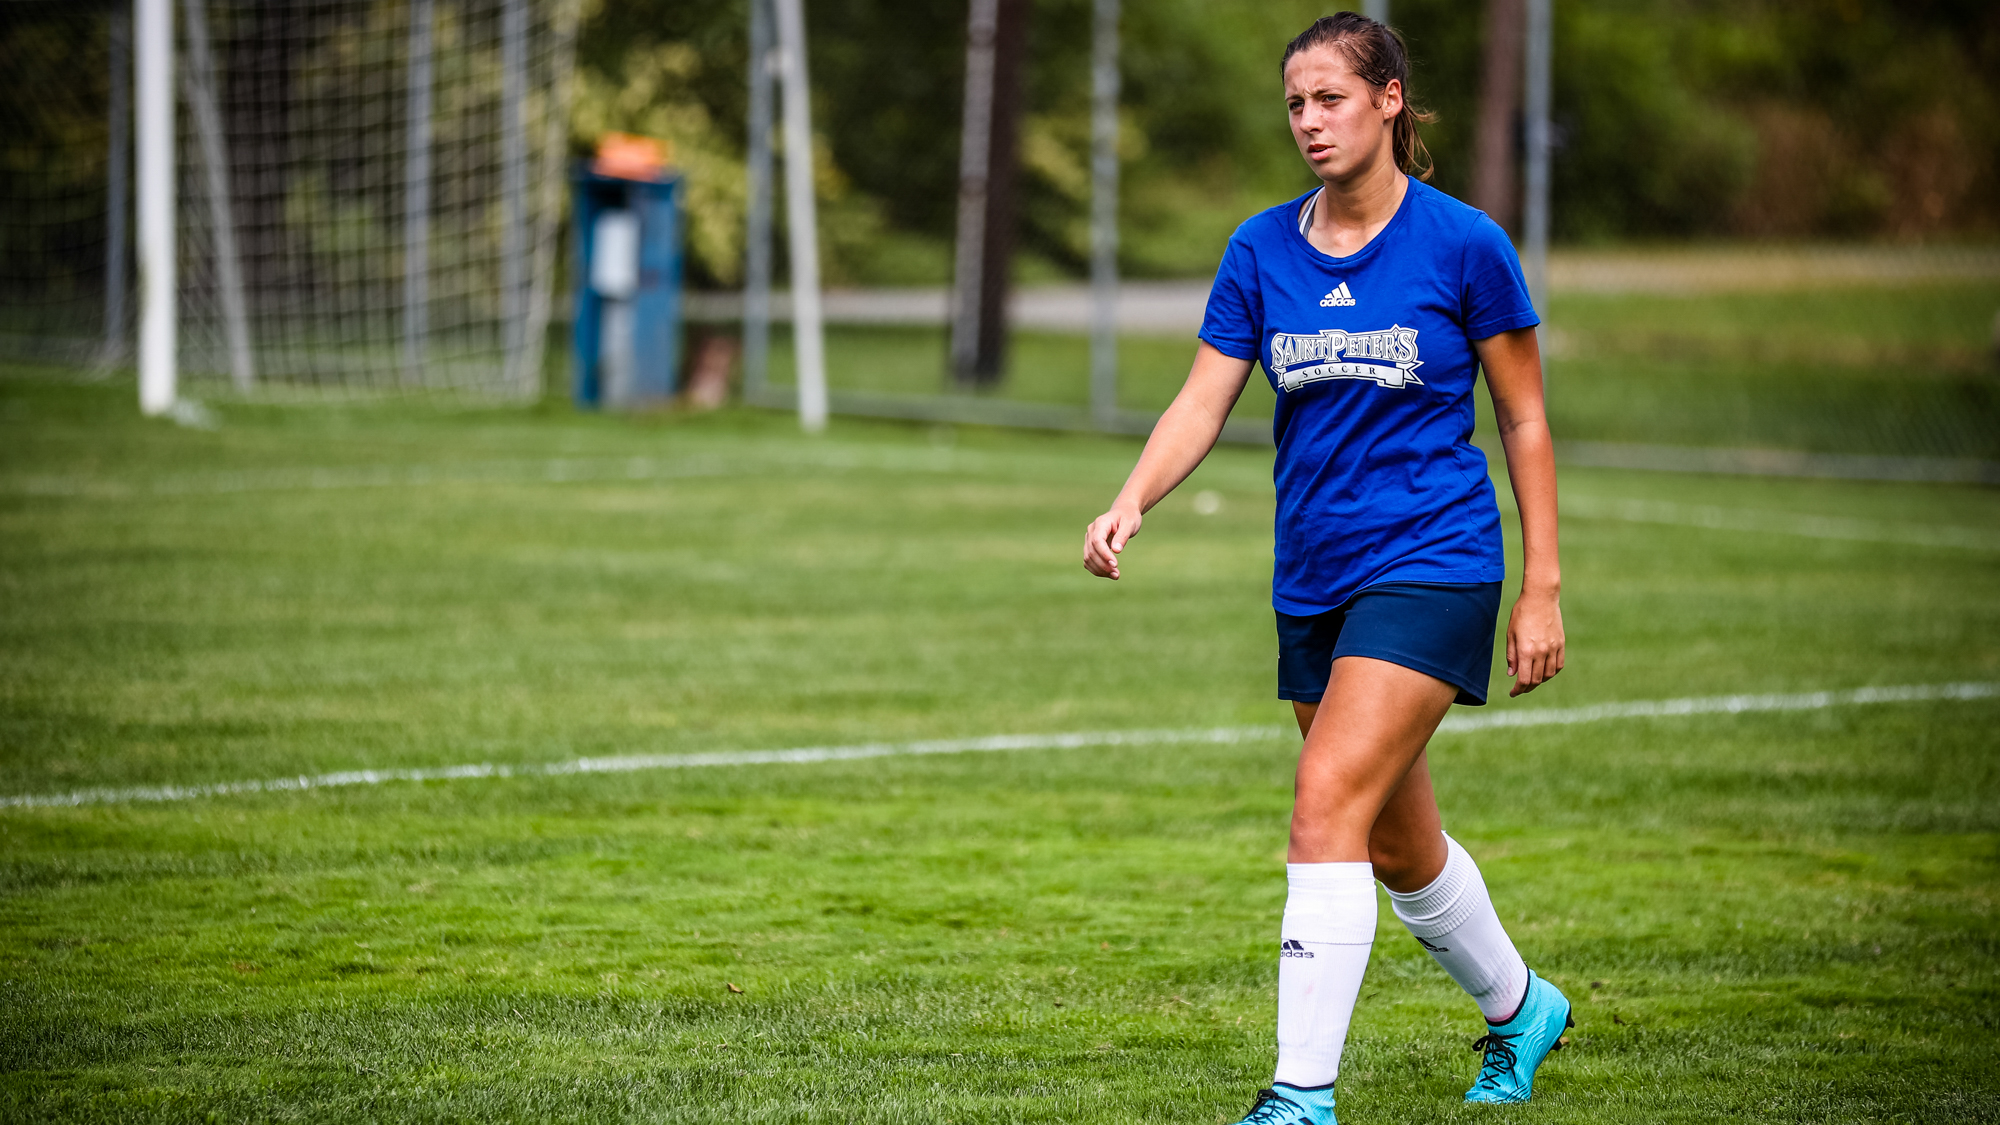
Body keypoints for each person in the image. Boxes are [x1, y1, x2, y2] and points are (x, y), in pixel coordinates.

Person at [1081, 13, 1570, 1124]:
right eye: (1295, 103)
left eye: (1330, 99)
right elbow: (1202, 397)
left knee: (1320, 804)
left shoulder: (1462, 244)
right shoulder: (1260, 247)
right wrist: (1128, 500)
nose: (1307, 121)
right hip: (1312, 573)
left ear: (1389, 100)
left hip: (1434, 557)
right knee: (1396, 845)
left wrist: (1538, 586)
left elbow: (1526, 421)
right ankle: (1521, 1007)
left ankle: (1298, 1098)